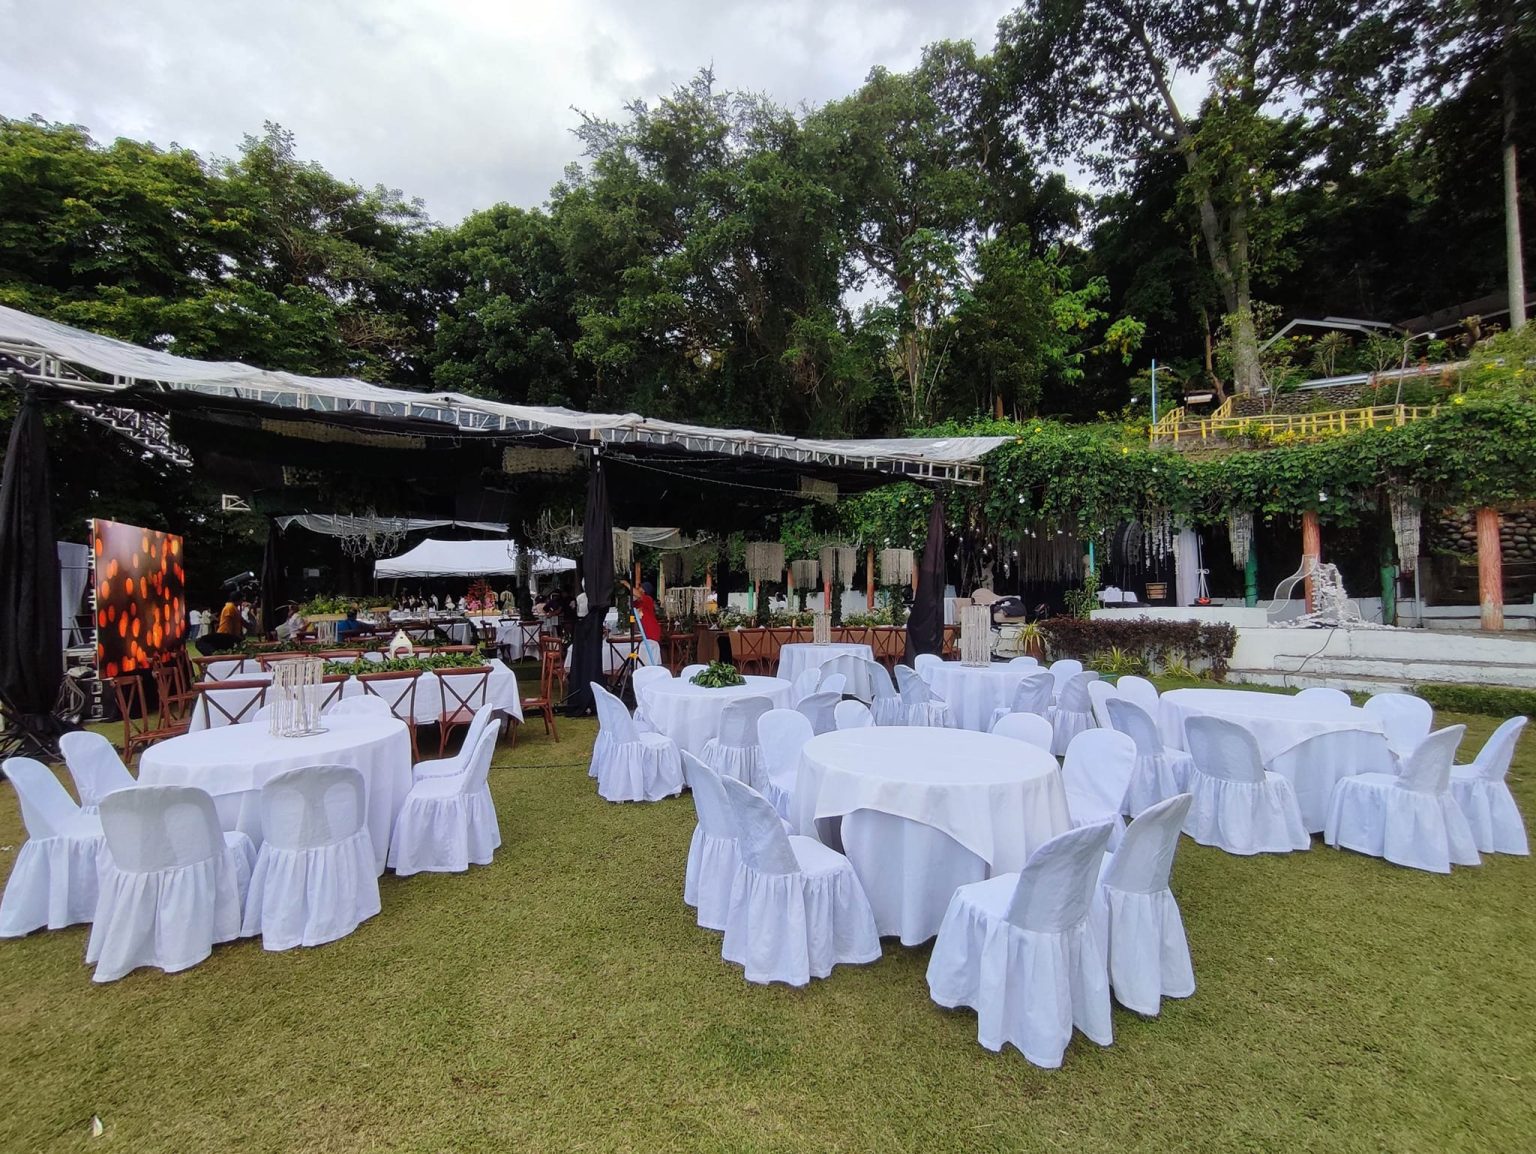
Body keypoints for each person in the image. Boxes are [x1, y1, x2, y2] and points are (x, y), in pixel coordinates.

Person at [620, 578, 662, 667]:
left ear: (643, 590)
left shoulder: (648, 599)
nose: (637, 589)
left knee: (648, 653)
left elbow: (638, 595)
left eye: (639, 588)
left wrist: (627, 584)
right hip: (643, 634)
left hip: (651, 633)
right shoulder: (637, 603)